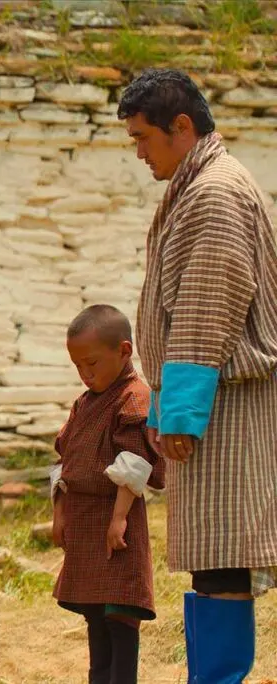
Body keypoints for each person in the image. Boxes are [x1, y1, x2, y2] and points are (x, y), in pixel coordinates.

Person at [119, 67, 277, 681]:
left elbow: (206, 307)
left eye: (143, 138)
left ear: (181, 127)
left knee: (225, 556)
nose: (138, 152)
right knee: (216, 556)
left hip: (225, 407)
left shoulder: (215, 191)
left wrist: (179, 415)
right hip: (209, 400)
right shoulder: (197, 186)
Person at [49, 305, 165, 684]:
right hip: (84, 519)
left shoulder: (133, 396)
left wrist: (119, 518)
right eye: (78, 366)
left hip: (116, 518)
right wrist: (60, 513)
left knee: (120, 614)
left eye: (93, 363)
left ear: (124, 351)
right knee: (95, 616)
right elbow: (66, 458)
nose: (86, 374)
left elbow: (134, 461)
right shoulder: (84, 403)